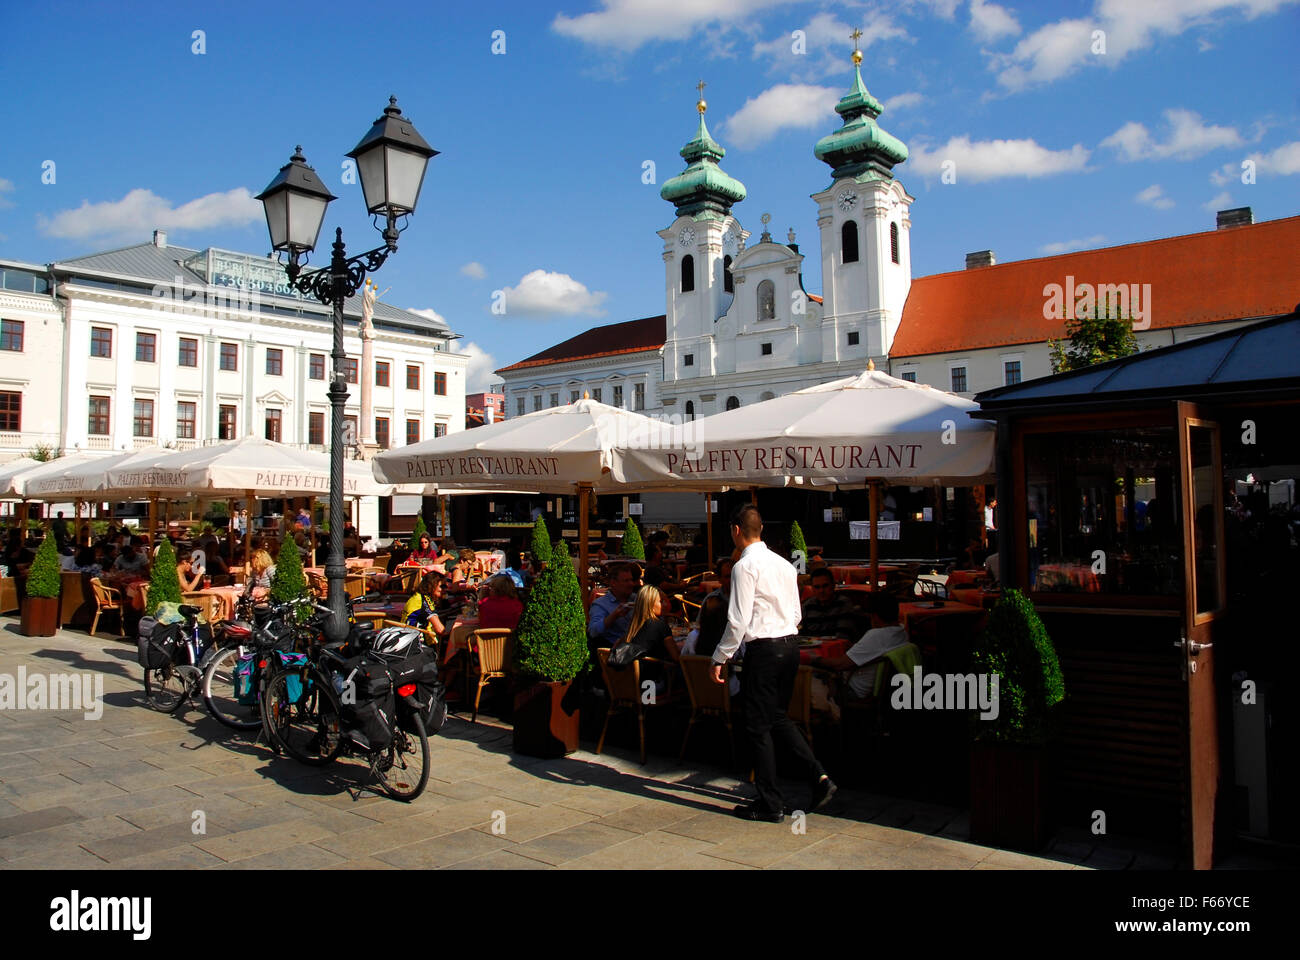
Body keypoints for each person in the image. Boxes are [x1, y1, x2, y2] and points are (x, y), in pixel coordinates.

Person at [710, 505, 835, 822]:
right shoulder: (784, 565)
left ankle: (770, 802)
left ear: (736, 531)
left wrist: (719, 656)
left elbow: (737, 620)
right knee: (777, 717)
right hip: (789, 646)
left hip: (764, 649)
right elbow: (796, 614)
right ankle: (818, 777)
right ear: (761, 529)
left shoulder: (743, 566)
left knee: (757, 725)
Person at [811, 594, 909, 700]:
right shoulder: (902, 631)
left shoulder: (876, 635)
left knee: (807, 677)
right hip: (881, 689)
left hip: (851, 690)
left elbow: (840, 664)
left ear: (875, 616)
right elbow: (876, 649)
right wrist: (856, 647)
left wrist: (814, 659)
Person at [587, 562, 641, 653]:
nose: (631, 584)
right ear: (613, 583)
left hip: (639, 646)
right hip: (618, 653)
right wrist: (614, 616)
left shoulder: (637, 599)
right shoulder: (601, 604)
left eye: (631, 580)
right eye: (626, 581)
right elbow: (593, 631)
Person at [800, 568, 862, 640]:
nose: (821, 591)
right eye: (817, 587)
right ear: (812, 589)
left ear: (833, 585)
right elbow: (800, 634)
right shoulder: (807, 606)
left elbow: (844, 636)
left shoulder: (843, 604)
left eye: (825, 586)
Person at [403, 572, 450, 640]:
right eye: (442, 586)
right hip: (414, 642)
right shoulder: (424, 600)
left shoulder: (418, 596)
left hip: (406, 637)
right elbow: (440, 630)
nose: (445, 589)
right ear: (432, 585)